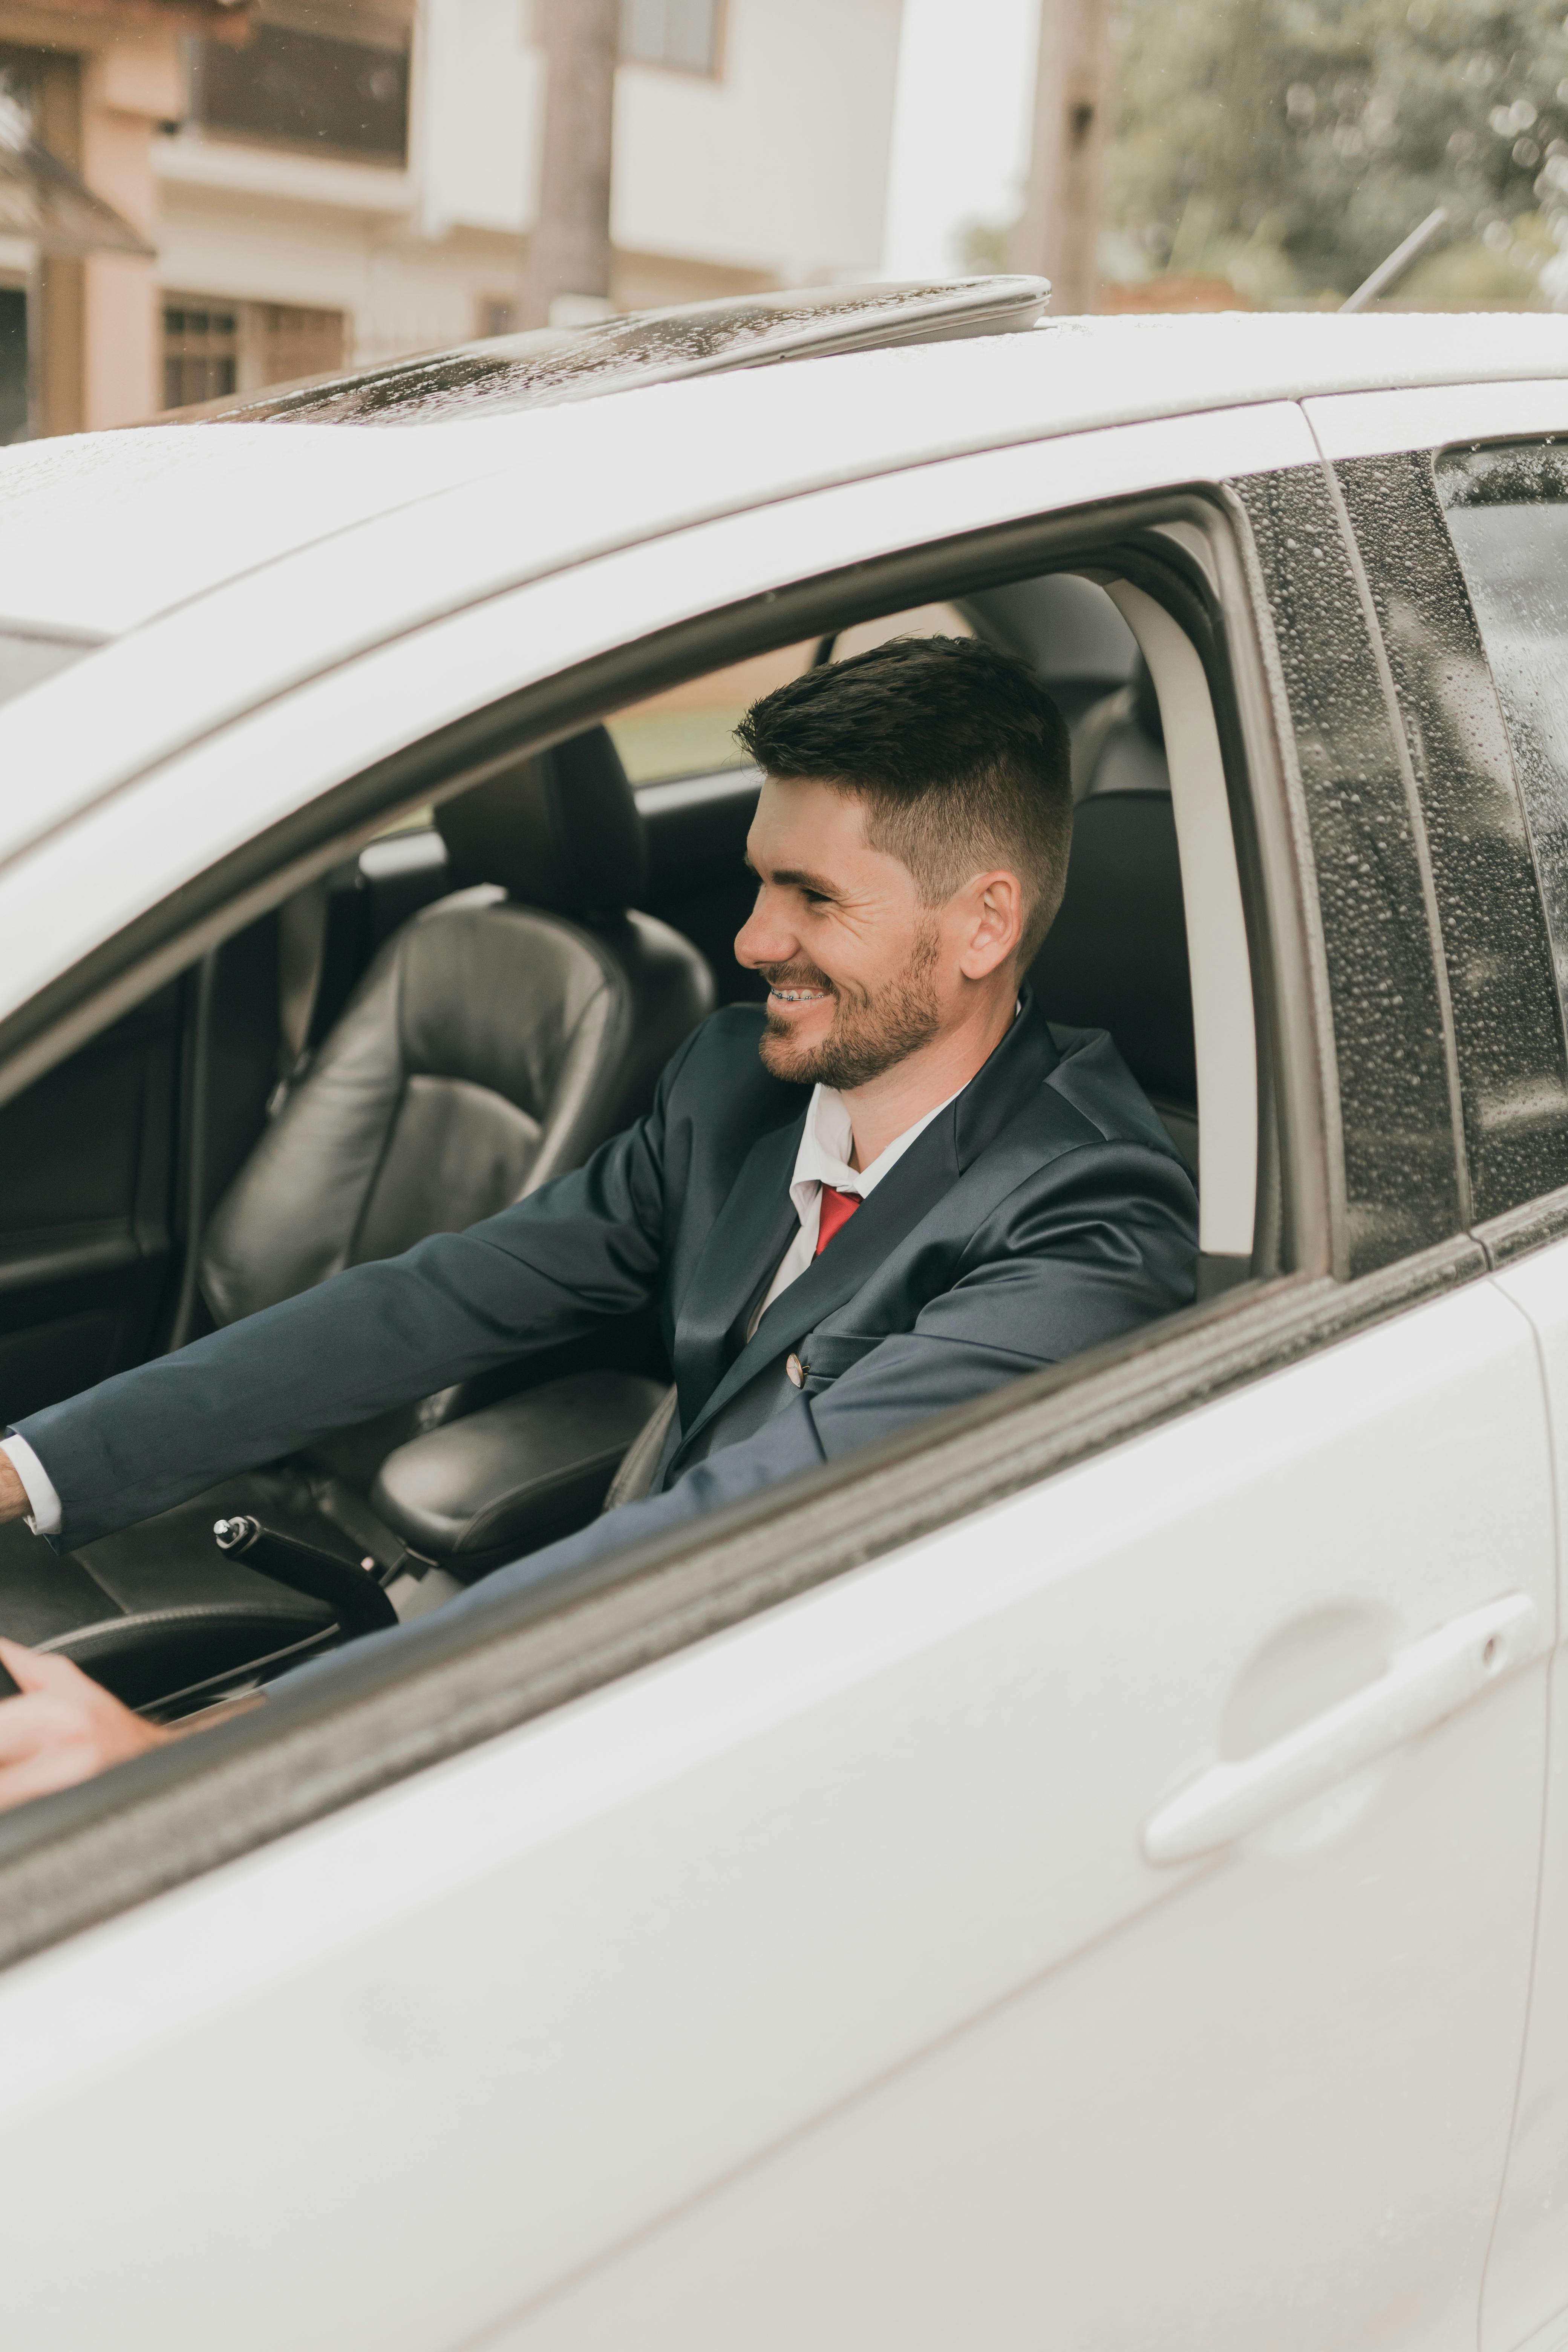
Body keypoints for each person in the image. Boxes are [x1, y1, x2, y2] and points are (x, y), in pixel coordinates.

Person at [0, 635, 1199, 1806]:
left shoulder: (1088, 1220)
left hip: (809, 1741)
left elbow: (749, 1523)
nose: (752, 940)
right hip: (626, 1657)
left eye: (815, 897)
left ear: (985, 924)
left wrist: (208, 1764)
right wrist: (24, 1468)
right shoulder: (731, 1087)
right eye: (760, 879)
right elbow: (436, 1300)